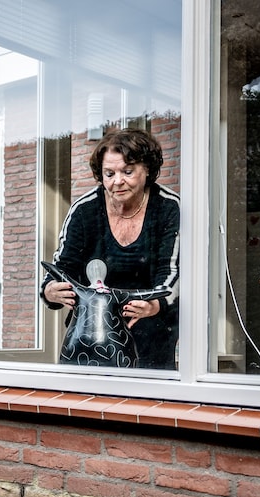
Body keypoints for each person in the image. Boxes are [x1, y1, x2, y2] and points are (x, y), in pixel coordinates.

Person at [40, 127, 180, 369]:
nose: (117, 181)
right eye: (109, 173)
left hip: (150, 335)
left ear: (147, 169)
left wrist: (154, 304)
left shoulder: (168, 208)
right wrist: (49, 290)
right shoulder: (84, 210)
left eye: (128, 171)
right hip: (90, 337)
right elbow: (62, 268)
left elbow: (173, 272)